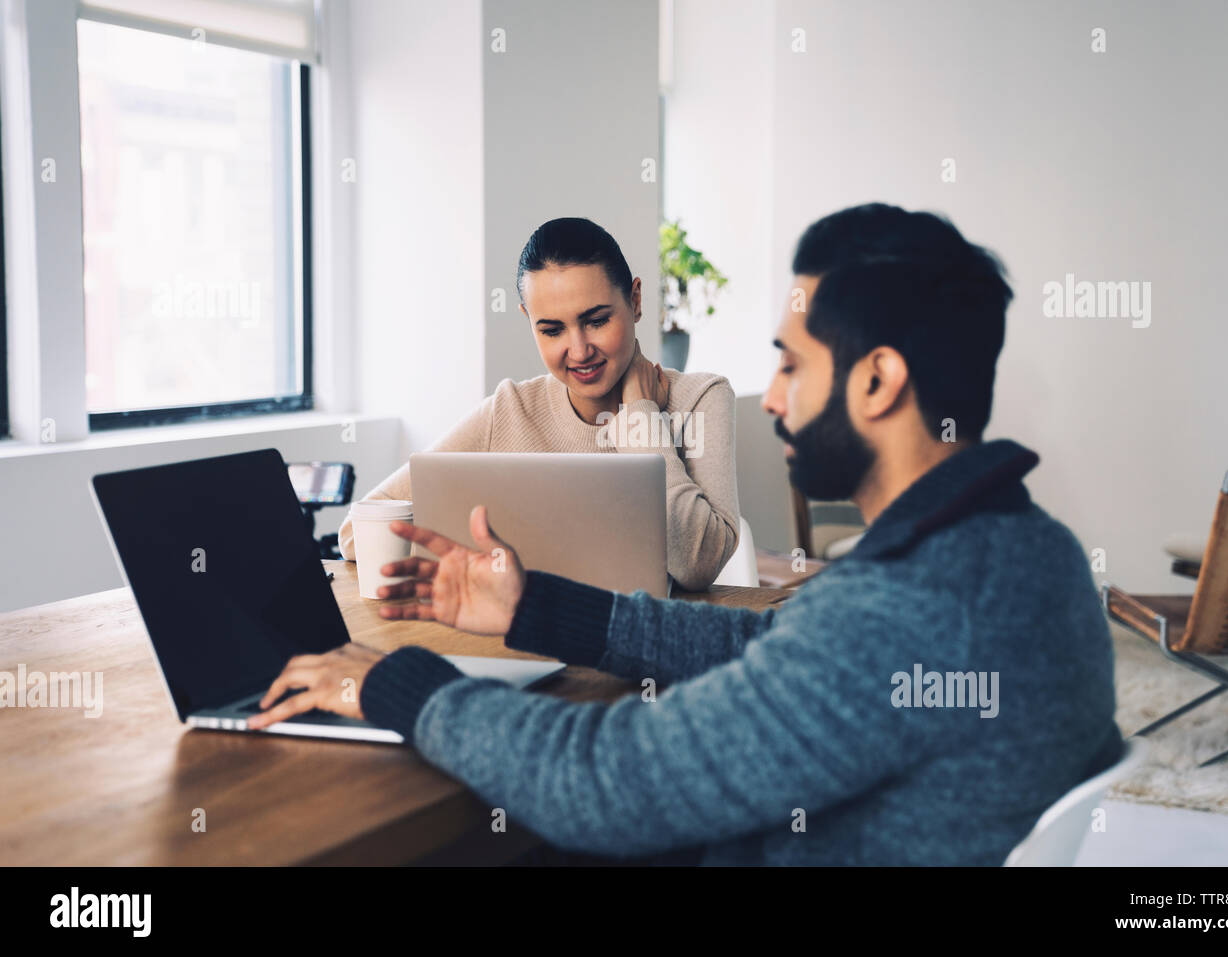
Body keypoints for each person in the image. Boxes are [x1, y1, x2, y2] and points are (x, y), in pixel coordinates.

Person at [251, 203, 1123, 866]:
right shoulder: (1027, 548)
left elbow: (608, 781)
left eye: (789, 362)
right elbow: (768, 639)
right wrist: (538, 607)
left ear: (877, 380)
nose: (773, 397)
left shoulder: (907, 606)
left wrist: (400, 682)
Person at [337, 217, 740, 591]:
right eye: (551, 330)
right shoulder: (511, 409)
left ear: (635, 301)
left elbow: (697, 563)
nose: (579, 350)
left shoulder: (701, 400)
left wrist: (639, 415)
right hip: (526, 639)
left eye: (597, 320)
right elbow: (356, 532)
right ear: (529, 320)